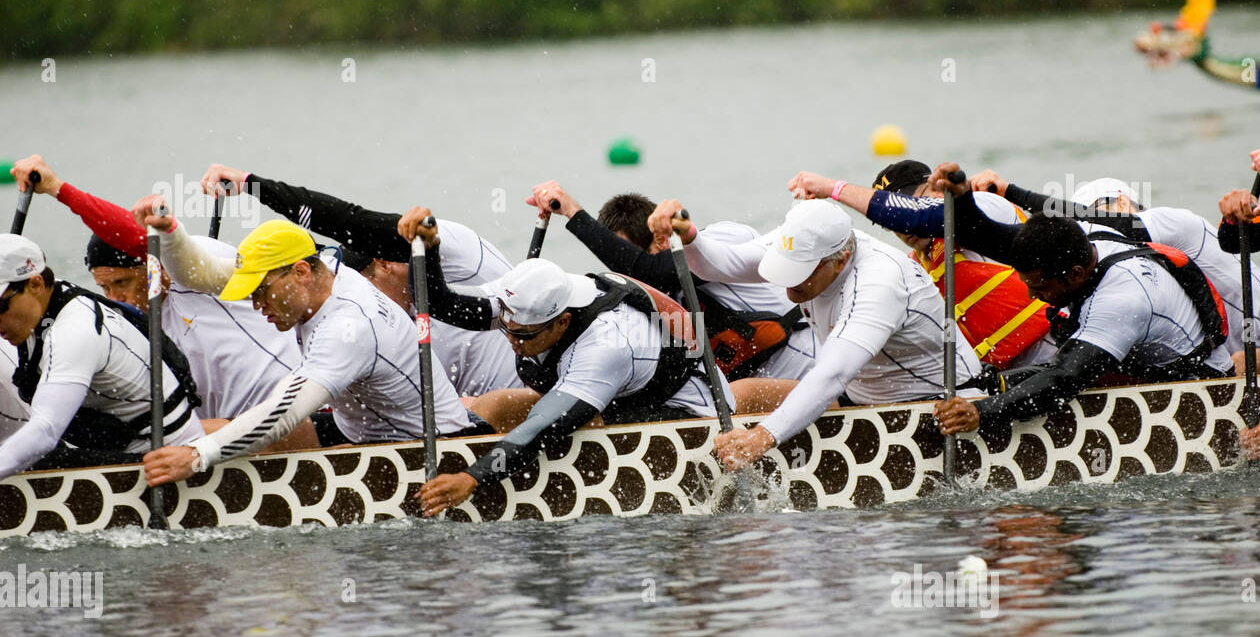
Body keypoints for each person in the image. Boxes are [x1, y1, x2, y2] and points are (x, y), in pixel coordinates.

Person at [408, 196, 728, 516]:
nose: (511, 340)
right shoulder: (527, 298)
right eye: (505, 328)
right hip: (628, 391)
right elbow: (442, 304)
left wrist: (472, 478)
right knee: (496, 404)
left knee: (553, 425)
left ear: (561, 321)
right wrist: (431, 247)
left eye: (523, 335)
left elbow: (541, 428)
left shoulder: (605, 347)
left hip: (690, 412)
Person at [858, 166, 1233, 436]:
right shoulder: (1083, 237)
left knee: (1024, 385)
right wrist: (963, 199)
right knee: (995, 381)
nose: (1033, 297)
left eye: (1038, 287)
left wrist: (980, 414)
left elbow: (1062, 381)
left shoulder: (1120, 303)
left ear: (1073, 275)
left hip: (1194, 386)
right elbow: (991, 236)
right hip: (1132, 360)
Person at [136, 208, 483, 486]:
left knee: (271, 431)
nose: (257, 306)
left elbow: (282, 414)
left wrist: (198, 456)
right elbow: (202, 274)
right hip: (370, 431)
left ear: (301, 272)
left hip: (428, 452)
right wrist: (170, 233)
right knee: (262, 430)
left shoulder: (347, 328)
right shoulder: (324, 270)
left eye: (261, 293)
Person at [647, 195, 981, 472]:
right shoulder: (802, 242)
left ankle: (750, 452)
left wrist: (761, 438)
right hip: (861, 398)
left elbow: (832, 374)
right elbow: (722, 265)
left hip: (939, 407)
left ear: (840, 260)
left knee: (787, 409)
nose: (788, 284)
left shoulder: (878, 282)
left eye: (800, 274)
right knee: (743, 394)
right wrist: (689, 235)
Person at [8, 155, 308, 433]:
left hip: (294, 415)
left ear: (156, 266)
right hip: (223, 436)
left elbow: (135, 235)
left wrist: (58, 188)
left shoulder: (199, 262)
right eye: (104, 288)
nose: (114, 298)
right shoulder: (125, 326)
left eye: (122, 283)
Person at [196, 164, 520, 399]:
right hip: (466, 398)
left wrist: (255, 185)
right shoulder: (409, 290)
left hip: (513, 397)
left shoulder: (435, 238)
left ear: (384, 262)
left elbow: (350, 220)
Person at [974, 165, 1260, 375]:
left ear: (1126, 204)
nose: (1093, 223)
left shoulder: (1176, 224)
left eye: (1100, 210)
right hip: (1242, 347)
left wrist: (1010, 193)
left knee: (1232, 367)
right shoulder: (1125, 260)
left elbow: (1100, 223)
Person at [553, 187, 816, 394]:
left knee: (736, 395)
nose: (627, 274)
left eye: (625, 257)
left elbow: (649, 270)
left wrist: (573, 213)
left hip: (814, 373)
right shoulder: (665, 302)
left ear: (659, 238)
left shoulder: (725, 237)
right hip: (764, 390)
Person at [0, 234, 204, 480]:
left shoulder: (74, 331)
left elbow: (45, 431)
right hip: (123, 443)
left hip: (165, 459)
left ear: (35, 284)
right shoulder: (46, 298)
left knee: (35, 458)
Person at [868, 160, 1053, 369]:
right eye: (892, 219)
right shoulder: (914, 267)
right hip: (1005, 372)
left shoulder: (983, 203)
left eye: (909, 207)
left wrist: (961, 192)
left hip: (1054, 346)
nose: (903, 225)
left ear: (936, 189)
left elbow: (966, 215)